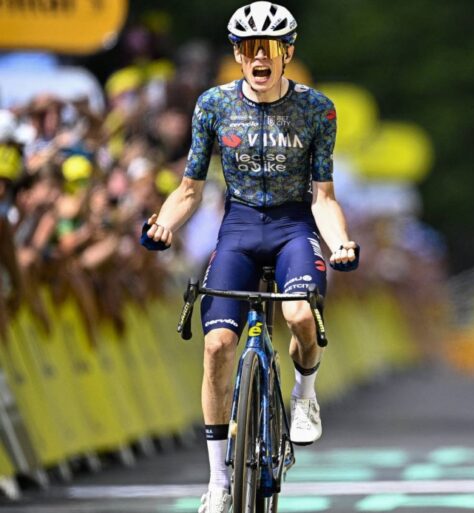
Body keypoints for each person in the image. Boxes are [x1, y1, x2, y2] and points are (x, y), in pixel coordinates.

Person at [140, 2, 359, 512]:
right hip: (237, 227)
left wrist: (341, 243)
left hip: (292, 225)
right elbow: (190, 189)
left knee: (300, 312)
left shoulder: (317, 108)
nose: (258, 57)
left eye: (269, 48)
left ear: (287, 53)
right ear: (238, 55)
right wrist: (164, 224)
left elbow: (324, 196)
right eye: (248, 48)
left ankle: (304, 394)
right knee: (217, 345)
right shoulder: (213, 105)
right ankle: (218, 479)